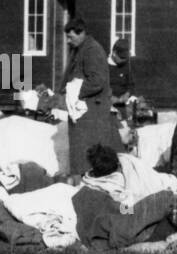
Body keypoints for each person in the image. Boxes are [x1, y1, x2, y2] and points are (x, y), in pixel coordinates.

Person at [57, 17, 123, 180]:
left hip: (92, 111)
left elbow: (97, 81)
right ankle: (82, 180)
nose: (68, 40)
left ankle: (88, 181)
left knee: (88, 151)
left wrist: (73, 92)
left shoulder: (92, 50)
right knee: (82, 151)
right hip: (84, 109)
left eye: (70, 36)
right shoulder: (80, 49)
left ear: (81, 33)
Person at [108, 38, 134, 107]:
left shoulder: (126, 65)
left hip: (123, 104)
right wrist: (109, 97)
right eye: (121, 57)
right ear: (114, 53)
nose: (124, 60)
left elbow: (131, 84)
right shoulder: (104, 66)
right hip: (107, 104)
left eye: (125, 57)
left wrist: (127, 94)